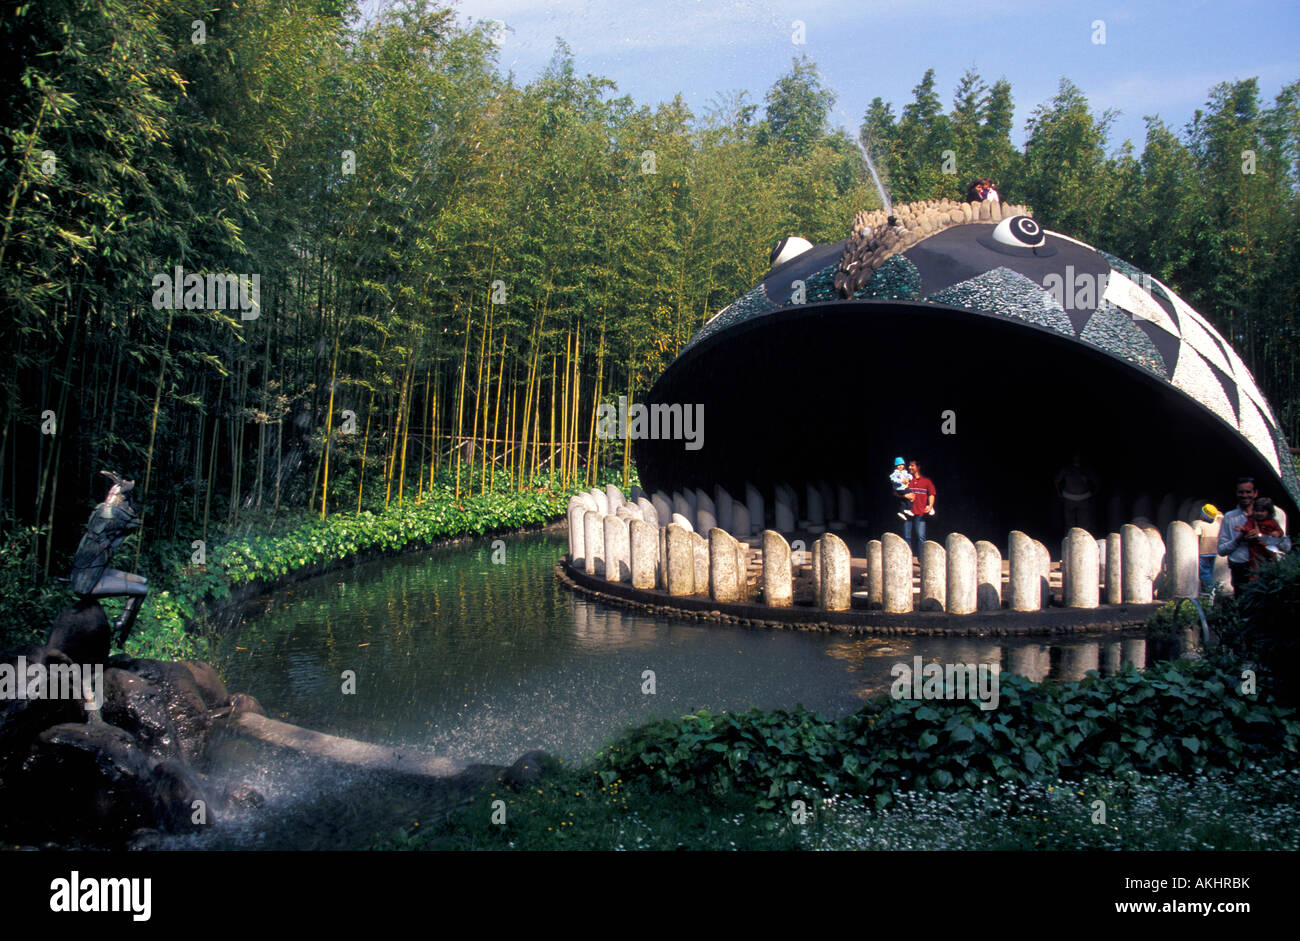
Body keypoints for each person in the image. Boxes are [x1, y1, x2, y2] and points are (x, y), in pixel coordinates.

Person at [69, 470, 150, 645]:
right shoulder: (116, 514)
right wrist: (129, 499)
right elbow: (135, 521)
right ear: (122, 499)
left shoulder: (100, 511)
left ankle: (120, 630)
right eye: (126, 498)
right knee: (142, 590)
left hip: (92, 571)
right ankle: (120, 632)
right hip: (89, 581)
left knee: (142, 581)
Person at [1218, 477, 1259, 592]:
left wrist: (1261, 536)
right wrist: (1238, 540)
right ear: (1236, 494)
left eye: (1248, 492)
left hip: (1263, 568)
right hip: (1240, 570)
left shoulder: (1269, 514)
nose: (1244, 495)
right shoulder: (1229, 517)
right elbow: (1221, 550)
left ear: (1255, 493)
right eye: (1241, 492)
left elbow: (1284, 545)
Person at [1240, 496, 1290, 577]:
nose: (1259, 513)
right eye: (1257, 511)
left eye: (1262, 511)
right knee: (1255, 569)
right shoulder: (1253, 520)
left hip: (1269, 549)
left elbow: (1280, 533)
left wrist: (1277, 533)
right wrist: (1244, 530)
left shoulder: (1272, 522)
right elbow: (1247, 528)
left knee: (1270, 568)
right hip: (1256, 549)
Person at [1054, 452, 1099, 536]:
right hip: (1069, 498)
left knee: (1084, 524)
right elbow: (1057, 481)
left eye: (1078, 457)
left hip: (1084, 497)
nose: (1077, 459)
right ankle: (1068, 541)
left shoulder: (1086, 469)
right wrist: (1059, 493)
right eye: (1075, 457)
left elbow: (1096, 481)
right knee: (1069, 523)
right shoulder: (1066, 469)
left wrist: (1093, 493)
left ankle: (1084, 541)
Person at [901, 459, 936, 557]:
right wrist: (904, 496)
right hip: (907, 513)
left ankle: (922, 560)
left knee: (921, 537)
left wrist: (930, 506)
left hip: (920, 513)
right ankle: (907, 559)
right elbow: (895, 491)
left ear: (918, 467)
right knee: (906, 537)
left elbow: (932, 494)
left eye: (912, 465)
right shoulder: (906, 480)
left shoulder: (926, 481)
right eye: (909, 465)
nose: (909, 467)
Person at [1192, 503, 1223, 591]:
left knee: (1204, 572)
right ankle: (1208, 588)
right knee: (1210, 571)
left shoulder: (1200, 524)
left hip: (1203, 552)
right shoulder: (1217, 524)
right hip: (1214, 552)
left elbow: (1195, 534)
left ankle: (1210, 589)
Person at [890, 457, 913, 521]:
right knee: (910, 495)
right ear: (896, 466)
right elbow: (892, 479)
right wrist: (901, 481)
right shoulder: (895, 473)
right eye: (898, 465)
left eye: (902, 465)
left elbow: (910, 476)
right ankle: (908, 509)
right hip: (900, 489)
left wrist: (908, 479)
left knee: (904, 501)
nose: (900, 466)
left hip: (904, 487)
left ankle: (901, 512)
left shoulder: (905, 472)